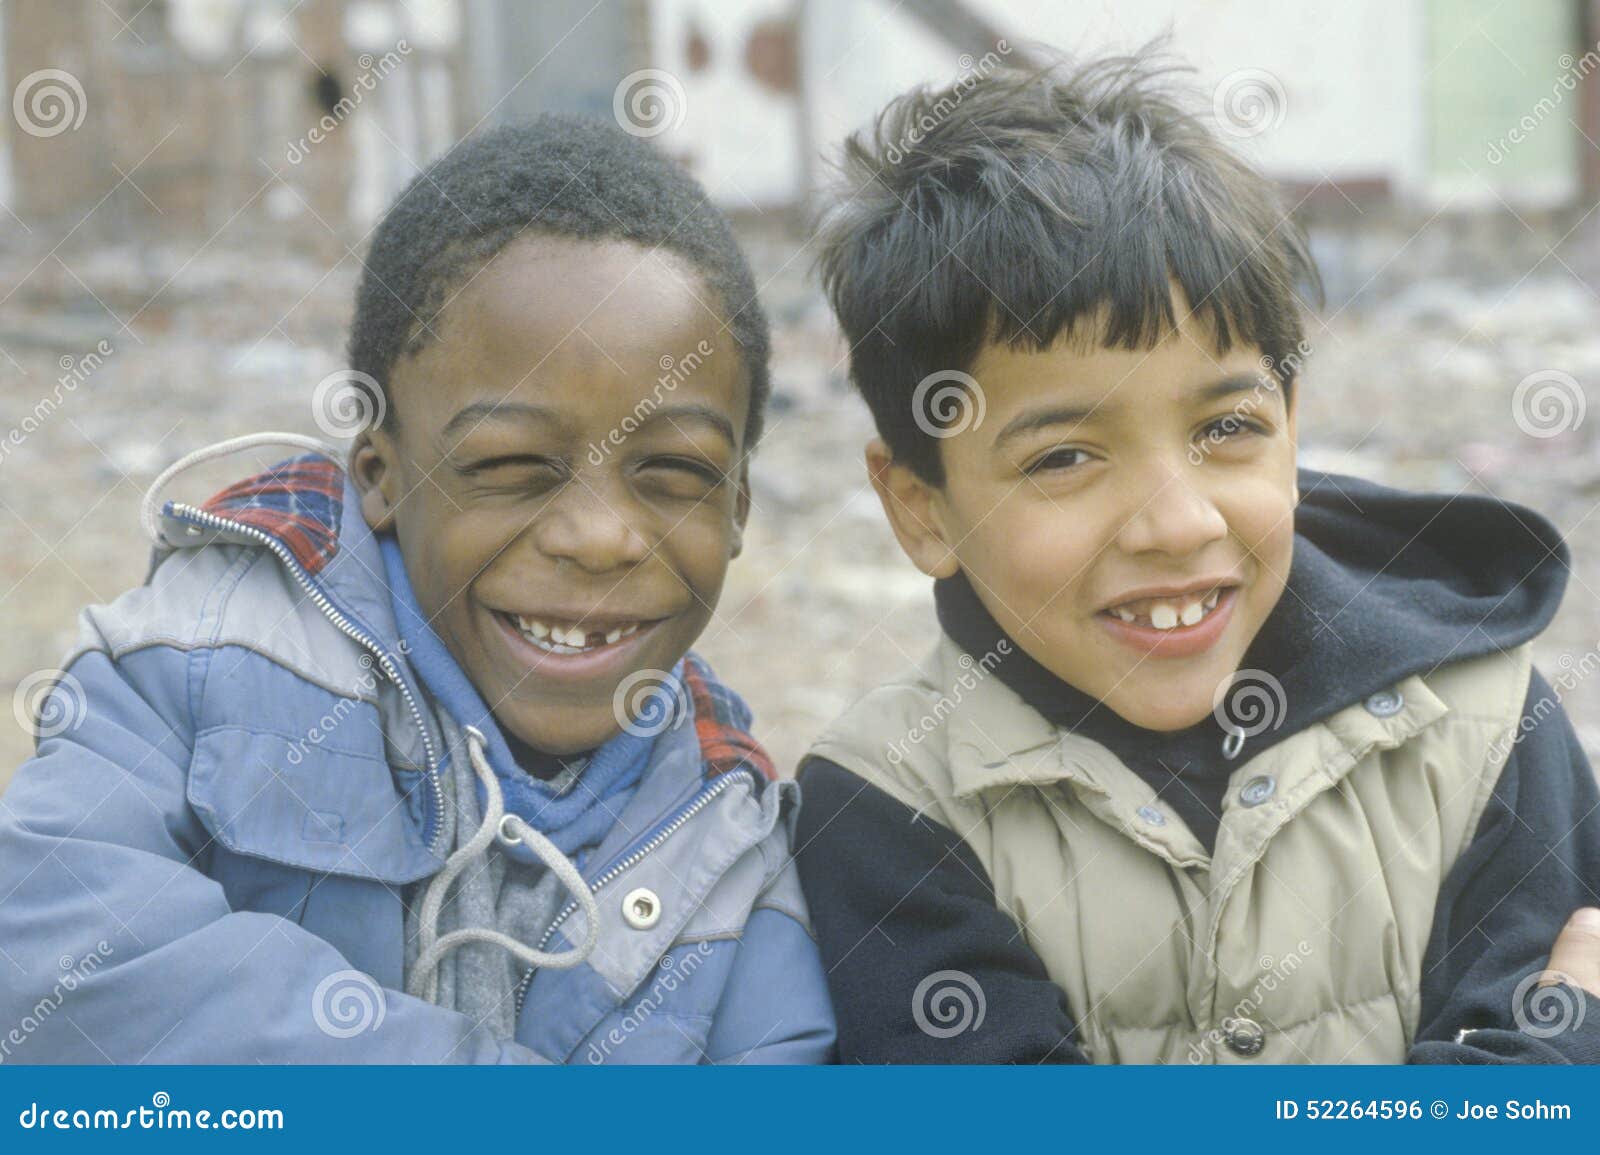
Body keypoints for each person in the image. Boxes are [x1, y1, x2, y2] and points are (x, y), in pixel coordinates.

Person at [793, 53, 1600, 1064]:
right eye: (1064, 457)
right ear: (920, 506)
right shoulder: (886, 805)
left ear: (1291, 423)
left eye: (1227, 428)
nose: (1176, 525)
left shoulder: (1483, 729)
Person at [0, 116, 835, 1064]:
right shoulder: (202, 660)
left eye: (675, 473)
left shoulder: (737, 852)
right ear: (381, 474)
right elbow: (50, 955)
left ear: (738, 505)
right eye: (512, 465)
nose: (601, 537)